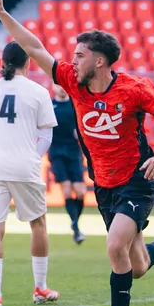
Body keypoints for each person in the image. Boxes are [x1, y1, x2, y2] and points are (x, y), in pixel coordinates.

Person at [0, 0, 154, 306]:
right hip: (104, 186)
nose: (71, 59)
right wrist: (1, 13)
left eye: (79, 55)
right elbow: (33, 46)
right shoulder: (74, 82)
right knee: (138, 264)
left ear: (99, 60)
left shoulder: (134, 89)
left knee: (115, 247)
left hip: (135, 181)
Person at [0, 41, 61, 306]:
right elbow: (46, 135)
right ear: (29, 62)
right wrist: (30, 158)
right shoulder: (38, 92)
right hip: (25, 166)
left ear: (2, 62)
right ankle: (40, 287)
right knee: (38, 224)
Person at [50, 84, 87, 244]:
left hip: (73, 151)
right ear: (53, 87)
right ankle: (77, 230)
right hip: (57, 152)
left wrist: (80, 132)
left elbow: (83, 123)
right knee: (66, 188)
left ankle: (75, 223)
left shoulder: (75, 104)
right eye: (58, 85)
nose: (61, 88)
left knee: (80, 191)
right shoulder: (50, 106)